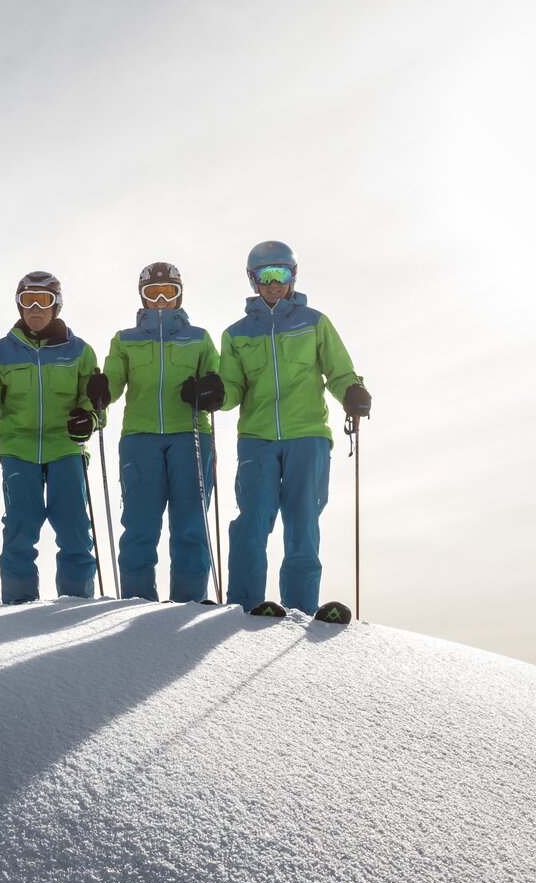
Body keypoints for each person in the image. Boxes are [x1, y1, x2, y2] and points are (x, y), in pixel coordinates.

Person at [218, 241, 371, 613]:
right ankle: (243, 604)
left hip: (308, 435)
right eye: (266, 276)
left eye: (281, 275)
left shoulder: (314, 322)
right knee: (253, 520)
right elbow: (233, 390)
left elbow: (337, 370)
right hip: (257, 438)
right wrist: (213, 394)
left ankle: (301, 608)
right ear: (253, 280)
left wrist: (351, 391)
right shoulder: (236, 334)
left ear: (293, 277)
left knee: (303, 520)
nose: (274, 284)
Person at [0, 271, 104, 602]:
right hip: (18, 450)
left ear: (57, 305)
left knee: (74, 529)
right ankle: (18, 606)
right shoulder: (1, 352)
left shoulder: (79, 351)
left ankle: (76, 604)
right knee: (19, 530)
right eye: (28, 301)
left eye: (44, 301)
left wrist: (92, 417)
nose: (35, 309)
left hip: (66, 449)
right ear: (19, 305)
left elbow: (92, 402)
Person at [102, 262, 220, 603]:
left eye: (168, 293)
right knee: (140, 526)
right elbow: (112, 381)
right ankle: (136, 603)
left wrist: (210, 390)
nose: (160, 301)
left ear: (179, 296)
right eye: (153, 294)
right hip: (141, 437)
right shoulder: (125, 340)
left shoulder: (198, 338)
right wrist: (100, 391)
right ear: (142, 298)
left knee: (191, 526)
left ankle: (188, 602)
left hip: (191, 435)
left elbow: (215, 378)